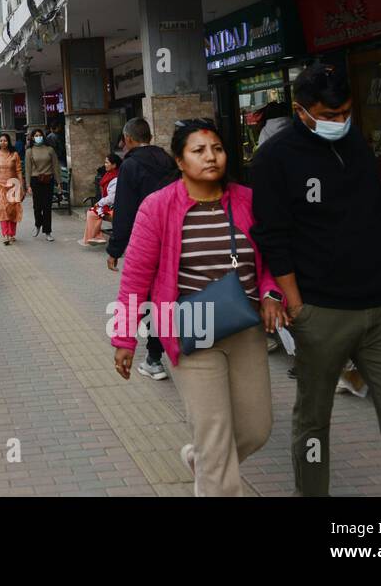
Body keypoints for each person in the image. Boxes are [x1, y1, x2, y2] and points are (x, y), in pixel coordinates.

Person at [249, 62, 381, 497]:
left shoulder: (356, 142)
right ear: (302, 111)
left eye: (345, 113)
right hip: (321, 312)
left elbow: (376, 214)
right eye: (328, 115)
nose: (339, 122)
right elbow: (271, 235)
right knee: (312, 425)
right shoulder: (273, 159)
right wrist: (297, 305)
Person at [112, 119, 286, 496]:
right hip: (190, 329)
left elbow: (271, 259)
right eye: (199, 151)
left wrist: (272, 293)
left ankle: (203, 459)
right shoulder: (157, 207)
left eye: (218, 149)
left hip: (245, 328)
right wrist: (124, 338)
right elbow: (135, 278)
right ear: (179, 160)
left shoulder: (248, 201)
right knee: (215, 434)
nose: (211, 157)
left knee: (256, 429)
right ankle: (213, 471)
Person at [106, 117, 178, 379]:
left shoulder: (131, 165)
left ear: (128, 139)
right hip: (173, 239)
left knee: (147, 299)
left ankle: (154, 357)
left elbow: (124, 211)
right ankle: (169, 348)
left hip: (145, 241)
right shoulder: (167, 158)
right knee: (167, 294)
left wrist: (115, 248)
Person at [24, 127, 62, 242]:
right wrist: (28, 185)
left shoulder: (50, 149)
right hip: (35, 180)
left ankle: (48, 231)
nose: (38, 137)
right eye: (35, 135)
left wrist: (59, 182)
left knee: (47, 207)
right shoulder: (29, 151)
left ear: (43, 136)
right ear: (32, 137)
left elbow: (55, 166)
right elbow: (28, 169)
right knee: (37, 206)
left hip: (48, 180)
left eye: (40, 135)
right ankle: (37, 224)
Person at [0, 132, 24, 245]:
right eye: (1, 140)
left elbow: (18, 171)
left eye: (5, 140)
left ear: (9, 142)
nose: (3, 142)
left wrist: (22, 186)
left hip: (13, 184)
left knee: (12, 209)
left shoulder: (14, 155)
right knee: (3, 208)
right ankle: (6, 234)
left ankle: (12, 233)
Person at [82, 153, 122, 246]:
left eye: (107, 162)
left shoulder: (116, 178)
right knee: (92, 211)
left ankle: (96, 236)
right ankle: (96, 235)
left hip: (115, 207)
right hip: (110, 204)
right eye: (105, 162)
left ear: (114, 165)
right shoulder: (109, 174)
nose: (105, 164)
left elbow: (112, 198)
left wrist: (99, 203)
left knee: (93, 212)